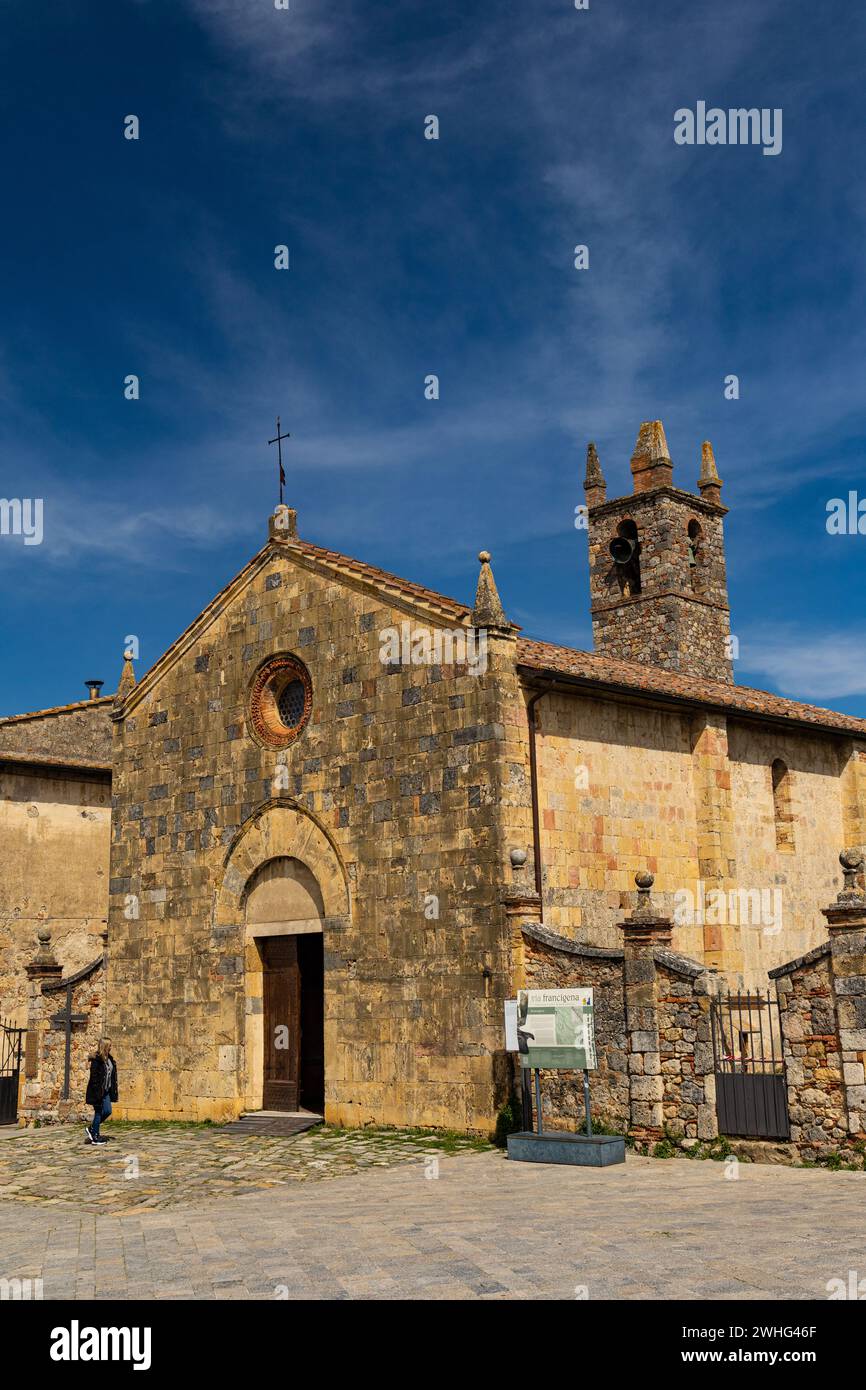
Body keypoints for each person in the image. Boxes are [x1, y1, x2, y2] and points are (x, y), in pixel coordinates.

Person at [84, 1038, 118, 1145]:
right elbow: (94, 1078)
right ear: (105, 1046)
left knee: (107, 1111)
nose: (111, 1047)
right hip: (97, 1091)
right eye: (110, 1045)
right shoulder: (96, 1060)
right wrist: (97, 1092)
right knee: (98, 1112)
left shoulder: (109, 1059)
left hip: (106, 1091)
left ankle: (92, 1128)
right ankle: (95, 1137)